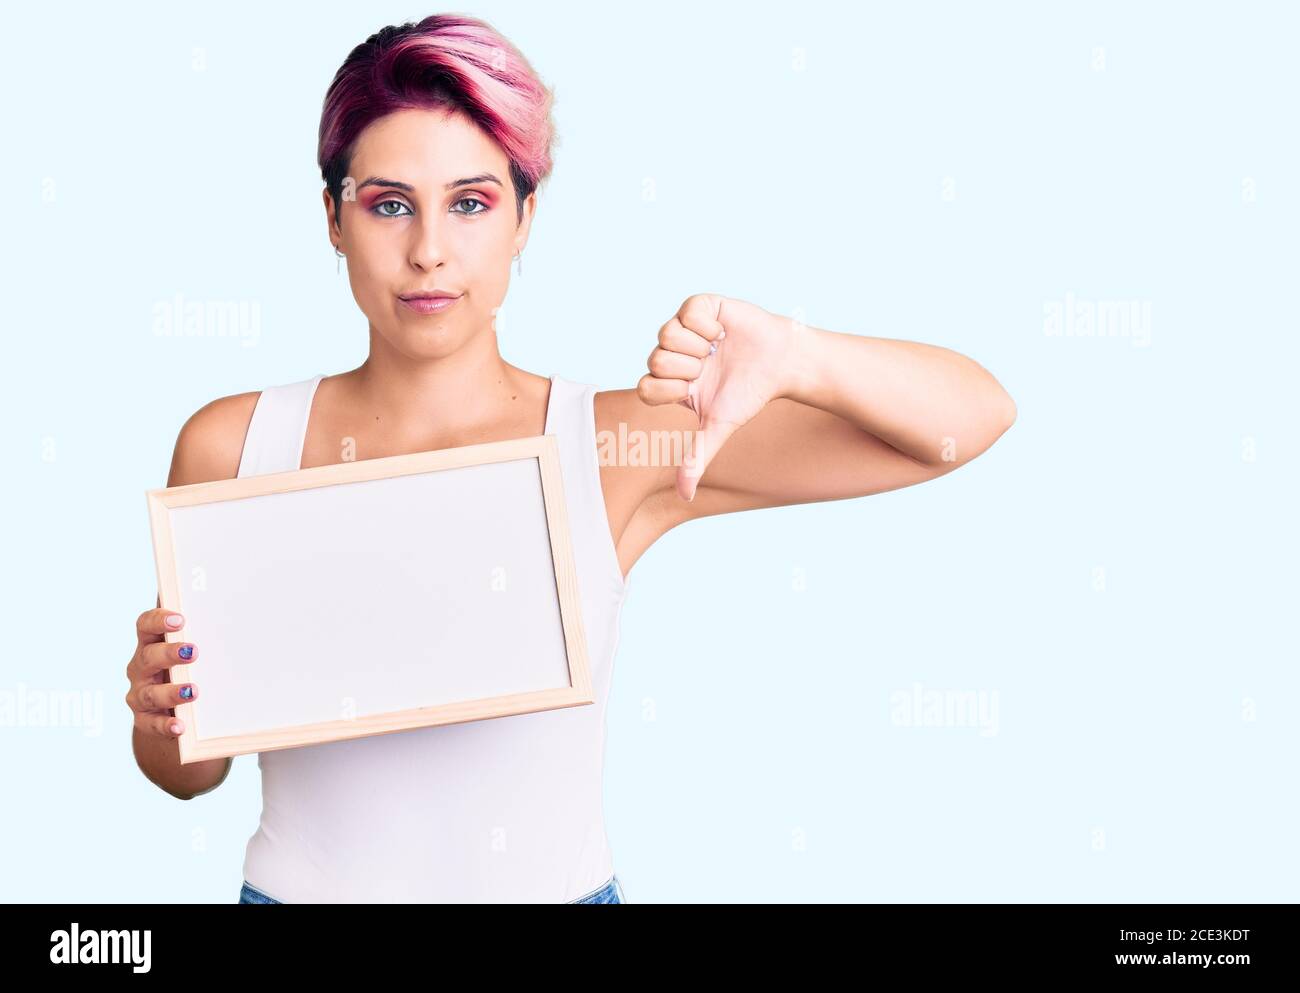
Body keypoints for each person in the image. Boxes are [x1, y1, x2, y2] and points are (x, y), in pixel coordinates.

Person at [124, 14, 1016, 904]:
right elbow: (188, 774)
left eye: (470, 202)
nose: (429, 249)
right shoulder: (234, 447)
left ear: (524, 219)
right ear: (333, 217)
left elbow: (970, 420)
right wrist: (161, 716)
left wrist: (799, 354)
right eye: (389, 203)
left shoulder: (612, 445)